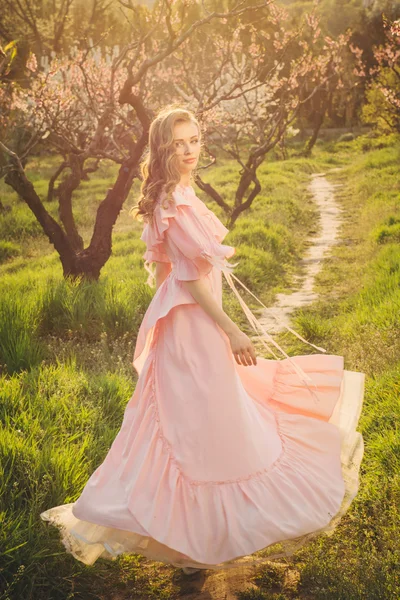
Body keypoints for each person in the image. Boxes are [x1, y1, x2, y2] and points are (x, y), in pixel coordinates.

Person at [40, 106, 365, 576]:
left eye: (194, 140)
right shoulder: (170, 199)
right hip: (192, 323)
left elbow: (171, 271)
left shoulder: (180, 193)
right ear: (163, 149)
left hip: (187, 320)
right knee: (192, 421)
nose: (190, 150)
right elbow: (189, 279)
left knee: (205, 418)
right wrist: (230, 329)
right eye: (179, 143)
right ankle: (186, 531)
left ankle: (197, 533)